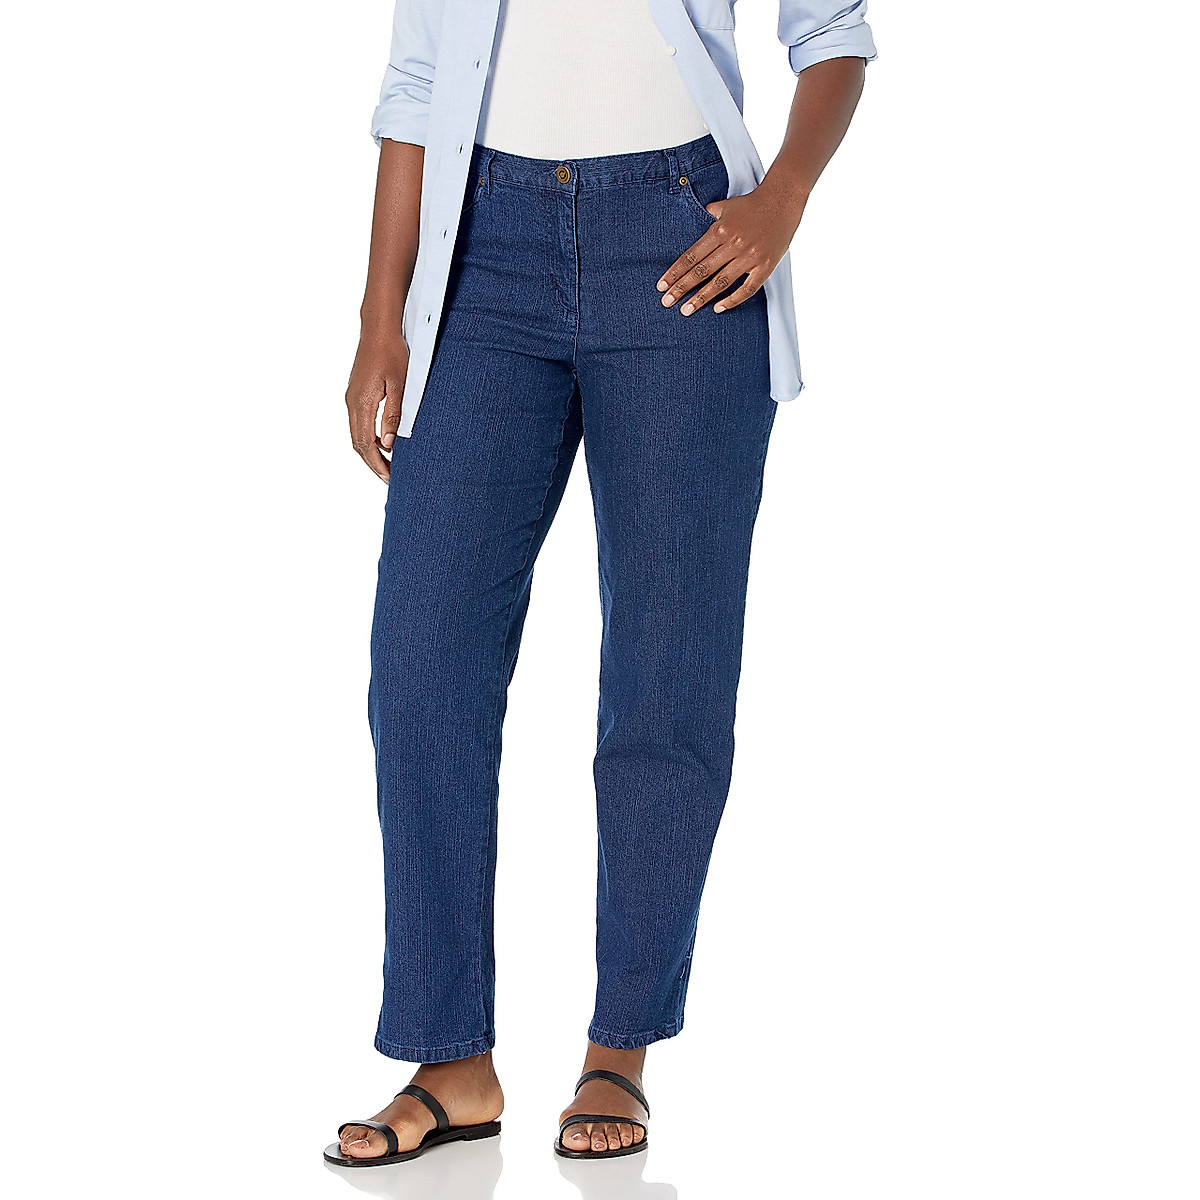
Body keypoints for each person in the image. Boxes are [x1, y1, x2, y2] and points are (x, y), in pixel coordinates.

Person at [324, 0, 875, 1168]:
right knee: (421, 668)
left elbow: (831, 31)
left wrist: (781, 200)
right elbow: (417, 81)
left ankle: (618, 1046)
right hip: (479, 257)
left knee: (665, 675)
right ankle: (449, 1060)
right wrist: (381, 316)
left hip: (682, 240)